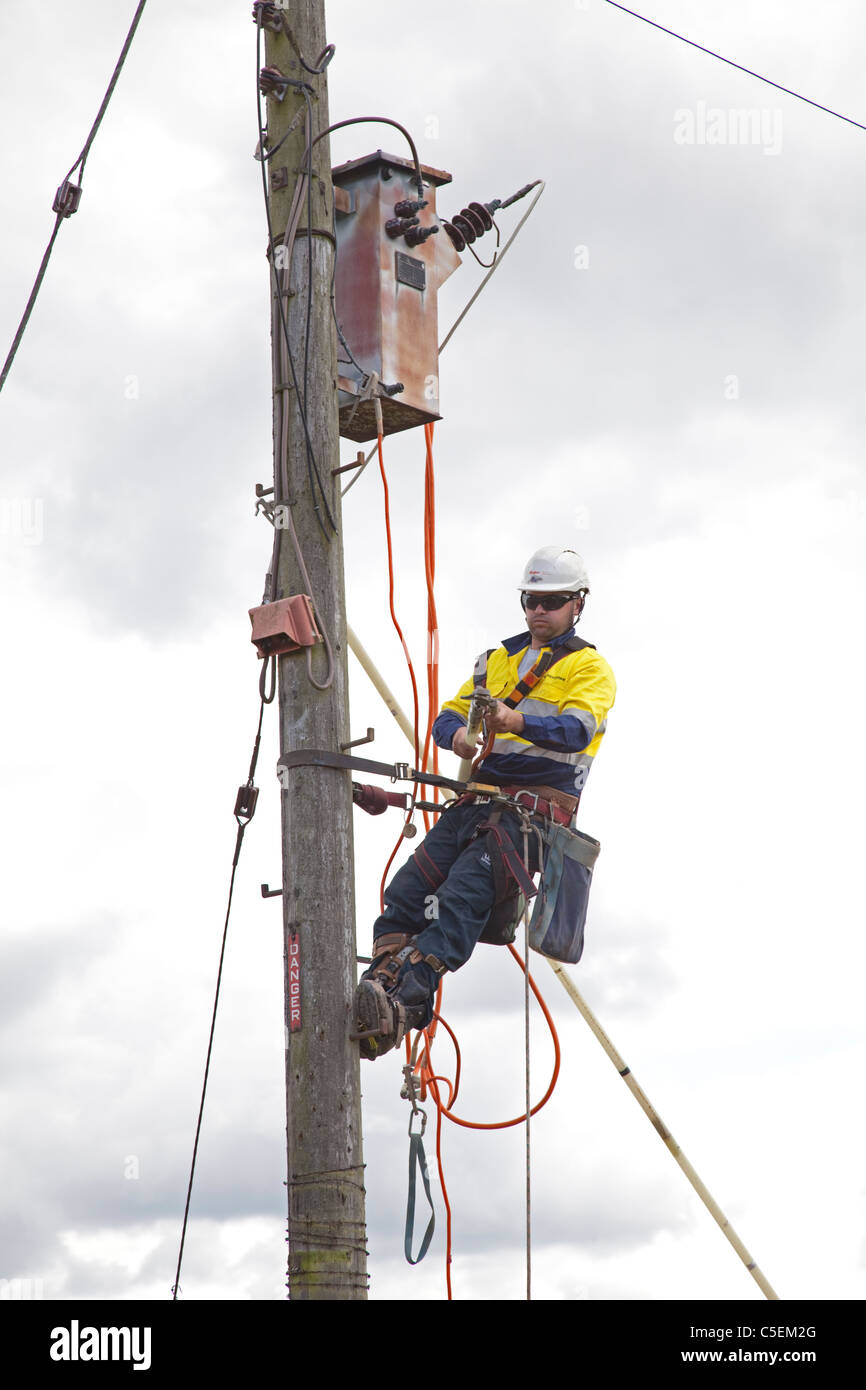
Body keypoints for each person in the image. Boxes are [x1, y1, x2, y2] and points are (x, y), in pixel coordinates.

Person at [353, 545, 617, 1060]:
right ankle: (377, 989)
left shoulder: (590, 668)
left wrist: (517, 722)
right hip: (474, 804)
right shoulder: (496, 661)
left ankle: (404, 1002)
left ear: (577, 604)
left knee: (461, 897)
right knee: (406, 890)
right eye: (531, 600)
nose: (539, 611)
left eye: (553, 601)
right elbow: (448, 715)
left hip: (529, 819)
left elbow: (578, 728)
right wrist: (455, 738)